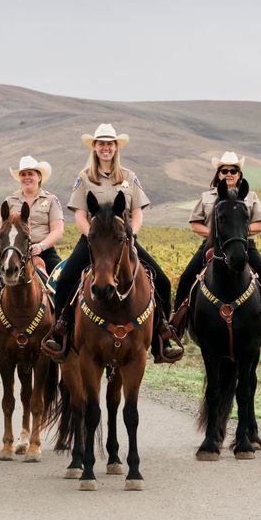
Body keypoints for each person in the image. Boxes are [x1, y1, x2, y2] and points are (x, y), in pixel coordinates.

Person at [42, 124, 181, 363]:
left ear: (116, 148)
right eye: (101, 144)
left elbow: (137, 212)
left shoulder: (129, 177)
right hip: (93, 240)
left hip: (123, 241)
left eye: (110, 144)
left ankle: (162, 335)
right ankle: (61, 328)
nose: (105, 148)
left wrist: (131, 235)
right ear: (95, 148)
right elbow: (78, 215)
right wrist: (92, 237)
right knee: (66, 280)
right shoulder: (84, 177)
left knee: (163, 282)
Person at [172, 152, 261, 339]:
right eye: (224, 170)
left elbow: (260, 224)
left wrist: (237, 232)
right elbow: (195, 224)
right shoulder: (207, 196)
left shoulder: (250, 196)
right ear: (218, 174)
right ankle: (176, 323)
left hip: (243, 244)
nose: (229, 174)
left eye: (233, 170)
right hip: (212, 245)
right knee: (186, 278)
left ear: (239, 174)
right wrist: (217, 234)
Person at [0, 155, 64, 314]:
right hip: (15, 251)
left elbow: (58, 230)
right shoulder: (10, 201)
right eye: (23, 174)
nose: (27, 177)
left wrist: (41, 246)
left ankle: (62, 327)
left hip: (44, 251)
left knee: (63, 283)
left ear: (39, 176)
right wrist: (8, 244)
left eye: (30, 173)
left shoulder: (51, 200)